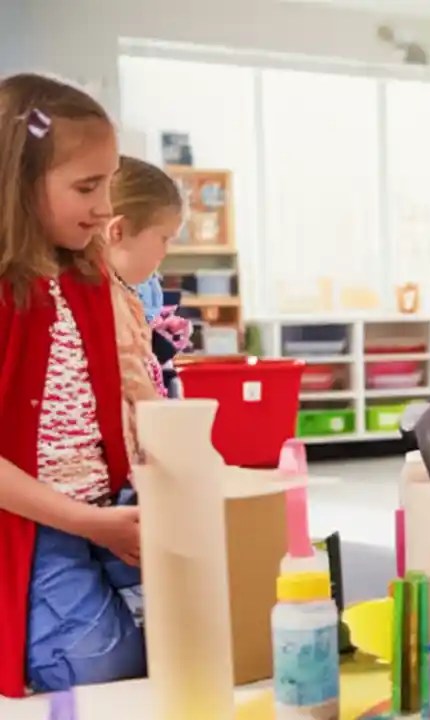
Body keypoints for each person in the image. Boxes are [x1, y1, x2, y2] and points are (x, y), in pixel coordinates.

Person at [0, 73, 145, 696]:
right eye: (87, 186)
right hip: (34, 524)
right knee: (102, 671)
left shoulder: (85, 278)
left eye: (109, 181)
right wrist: (90, 526)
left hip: (106, 503)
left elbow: (118, 400)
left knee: (219, 600)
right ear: (17, 187)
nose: (108, 205)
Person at [106, 155, 185, 460]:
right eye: (163, 238)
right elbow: (134, 382)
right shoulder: (105, 302)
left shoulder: (126, 295)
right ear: (118, 232)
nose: (165, 252)